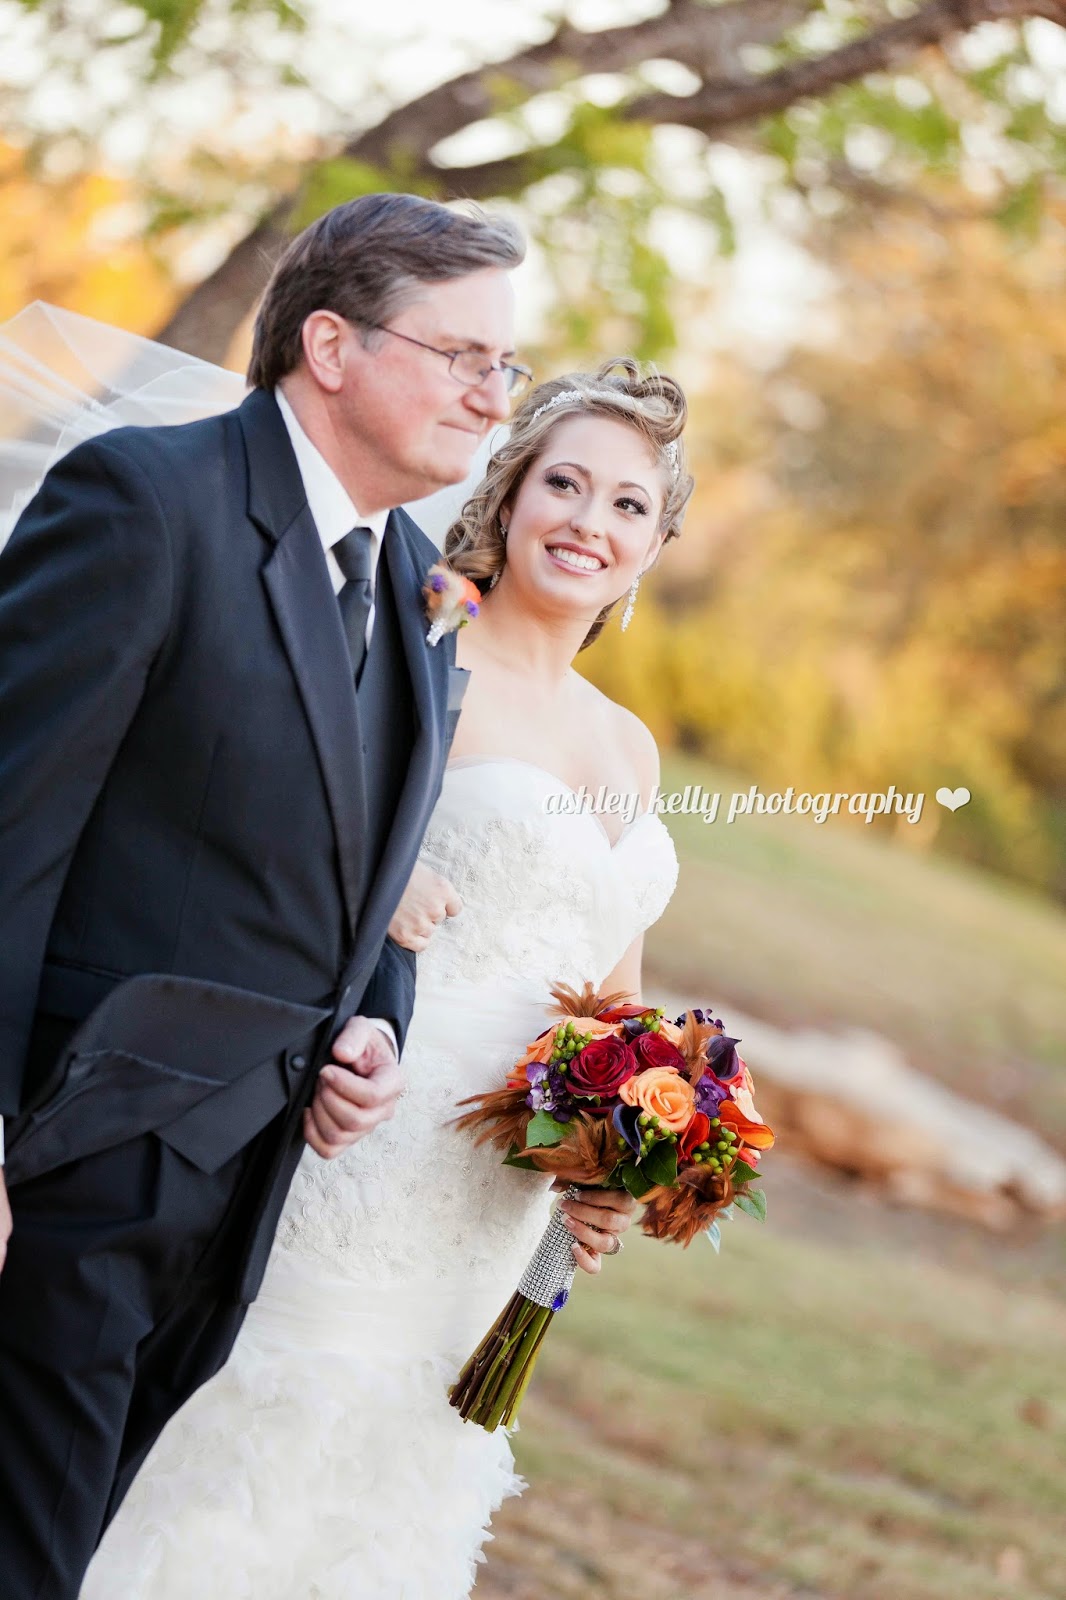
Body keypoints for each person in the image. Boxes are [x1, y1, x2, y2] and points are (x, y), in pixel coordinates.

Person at [81, 358, 692, 1599]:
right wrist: (377, 877)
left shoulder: (628, 743)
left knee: (379, 1514)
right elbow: (261, 829)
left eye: (628, 504)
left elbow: (614, 997)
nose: (589, 521)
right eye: (563, 484)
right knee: (238, 1483)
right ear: (506, 491)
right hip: (359, 1134)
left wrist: (623, 1148)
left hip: (492, 1220)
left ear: (655, 543)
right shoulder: (419, 654)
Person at [0, 192, 531, 1600]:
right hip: (68, 1162)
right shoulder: (147, 501)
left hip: (242, 1195)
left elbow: (363, 860)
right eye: (463, 355)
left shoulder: (421, 582)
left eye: (507, 365)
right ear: (332, 347)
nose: (494, 397)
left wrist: (374, 1020)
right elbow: (8, 831)